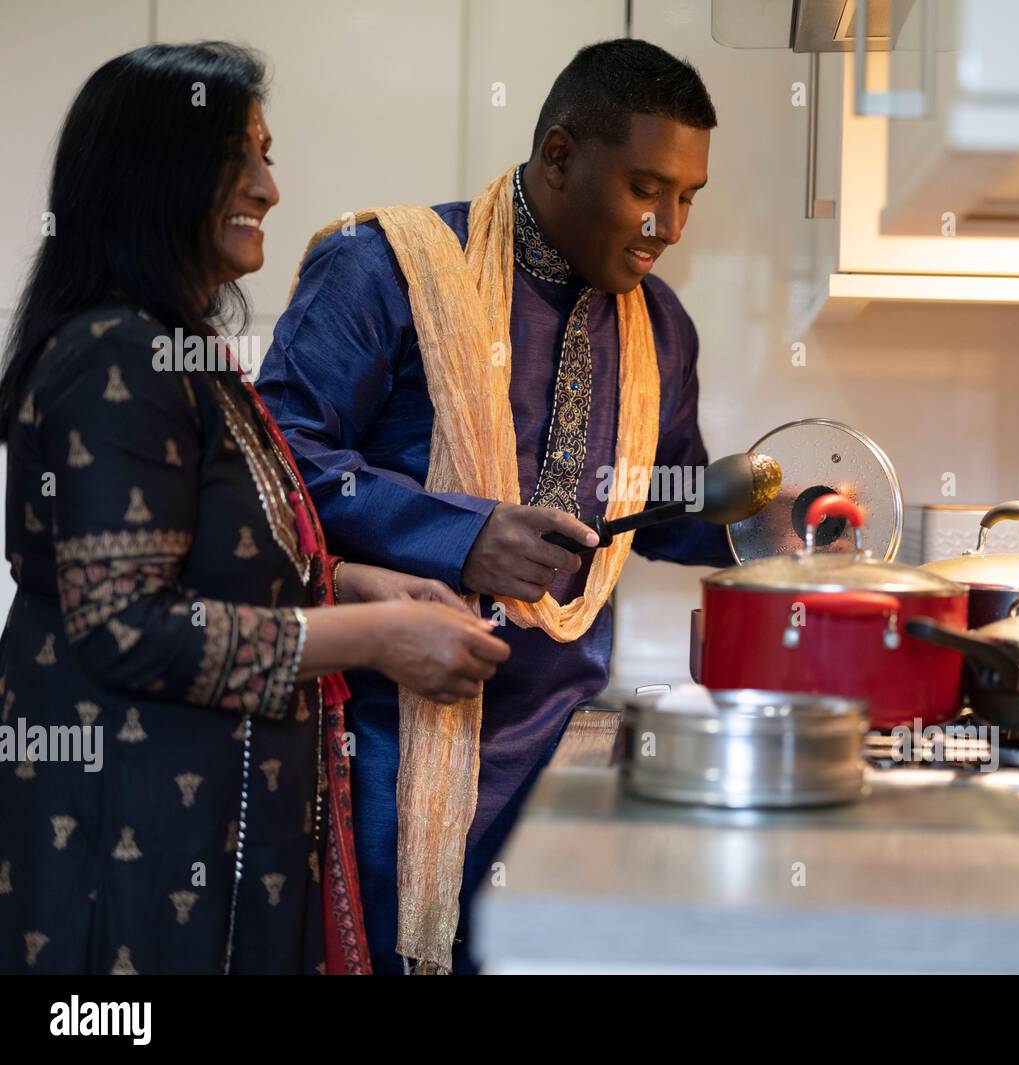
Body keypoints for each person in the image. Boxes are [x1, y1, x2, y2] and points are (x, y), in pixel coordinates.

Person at [0, 42, 508, 975]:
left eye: (266, 156)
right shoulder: (118, 356)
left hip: (197, 841)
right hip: (133, 858)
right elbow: (127, 627)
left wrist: (363, 587)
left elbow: (223, 557)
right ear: (155, 177)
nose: (270, 187)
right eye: (242, 157)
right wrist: (379, 638)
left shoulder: (176, 350)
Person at [257, 38, 732, 974]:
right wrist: (461, 536)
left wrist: (765, 522)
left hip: (562, 765)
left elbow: (665, 503)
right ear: (558, 156)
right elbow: (270, 464)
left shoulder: (660, 322)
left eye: (687, 198)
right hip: (382, 748)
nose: (668, 223)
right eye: (647, 186)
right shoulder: (382, 266)